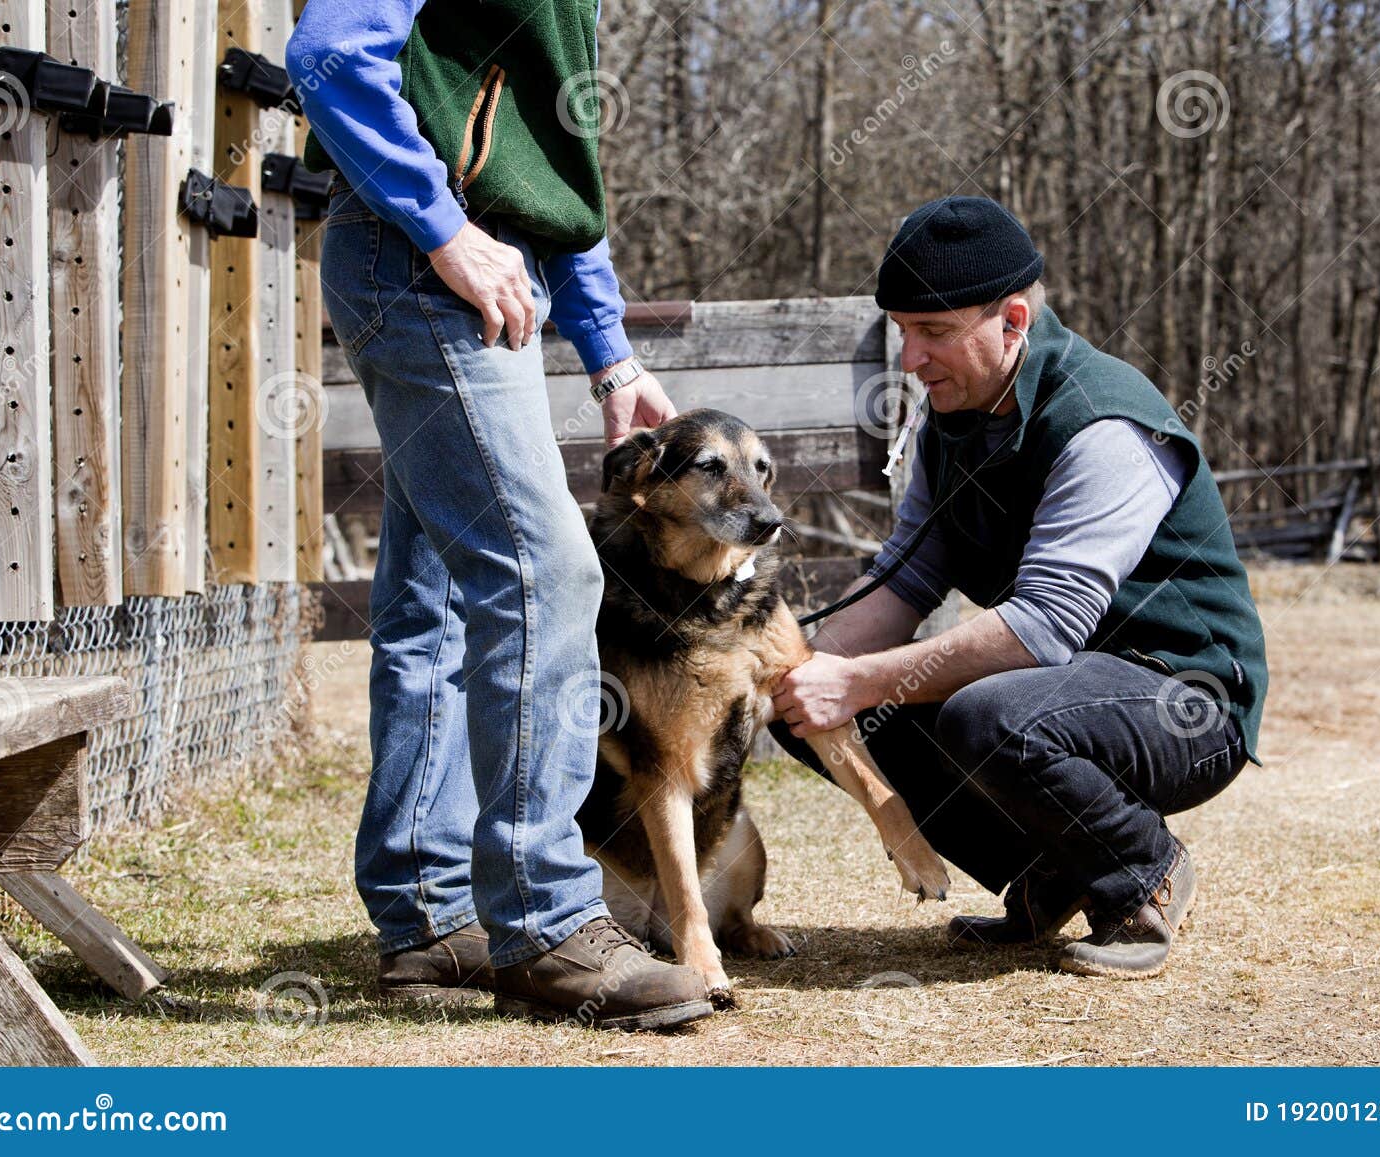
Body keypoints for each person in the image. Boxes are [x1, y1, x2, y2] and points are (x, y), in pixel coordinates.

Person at [287, 0, 713, 1030]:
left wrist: (610, 353)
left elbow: (543, 166)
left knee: (430, 588)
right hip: (424, 259)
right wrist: (443, 231)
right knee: (544, 571)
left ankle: (428, 911)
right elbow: (329, 54)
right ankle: (547, 920)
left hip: (475, 260)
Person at [768, 195, 1268, 979]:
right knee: (806, 701)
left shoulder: (1103, 421)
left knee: (987, 712)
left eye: (934, 332)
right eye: (902, 331)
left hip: (1187, 697)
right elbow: (905, 576)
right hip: (1065, 693)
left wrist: (855, 681)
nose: (911, 359)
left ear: (1012, 320)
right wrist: (798, 668)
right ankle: (1057, 867)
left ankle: (1142, 872)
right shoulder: (953, 420)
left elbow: (1041, 629)